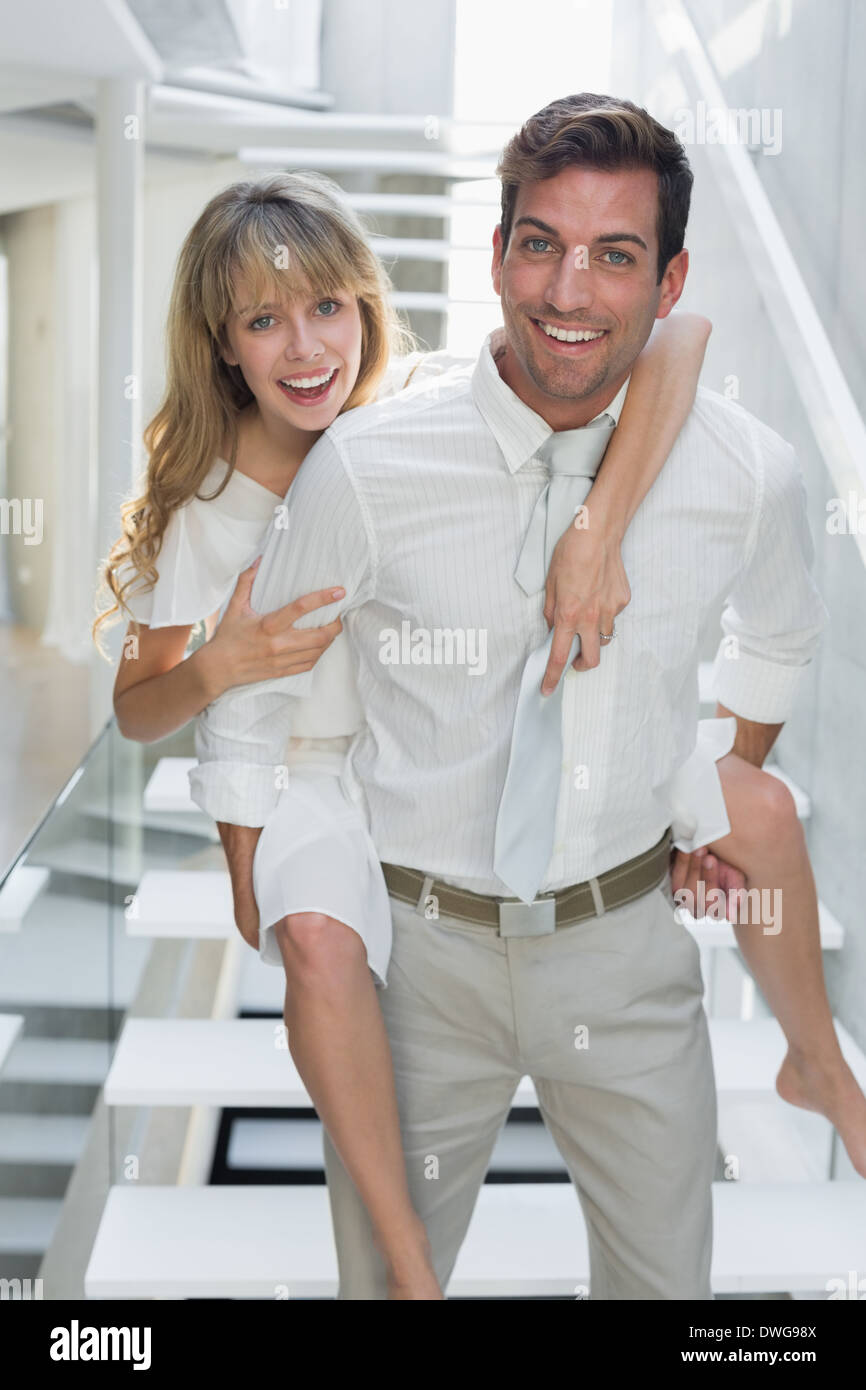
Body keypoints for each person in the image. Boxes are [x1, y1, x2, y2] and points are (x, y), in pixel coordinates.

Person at [188, 93, 855, 1300]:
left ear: (670, 277)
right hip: (420, 960)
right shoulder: (368, 464)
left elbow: (782, 634)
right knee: (386, 1291)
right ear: (495, 255)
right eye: (539, 243)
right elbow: (248, 697)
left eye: (615, 255)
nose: (567, 290)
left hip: (624, 954)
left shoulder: (742, 470)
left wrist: (703, 791)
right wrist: (254, 889)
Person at [93, 170, 719, 1299]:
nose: (302, 347)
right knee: (324, 950)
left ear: (365, 309)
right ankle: (414, 1264)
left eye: (326, 308)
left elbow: (679, 342)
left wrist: (596, 526)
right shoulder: (207, 499)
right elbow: (136, 707)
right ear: (223, 345)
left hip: (385, 776)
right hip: (291, 788)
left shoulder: (413, 414)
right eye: (264, 321)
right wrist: (223, 672)